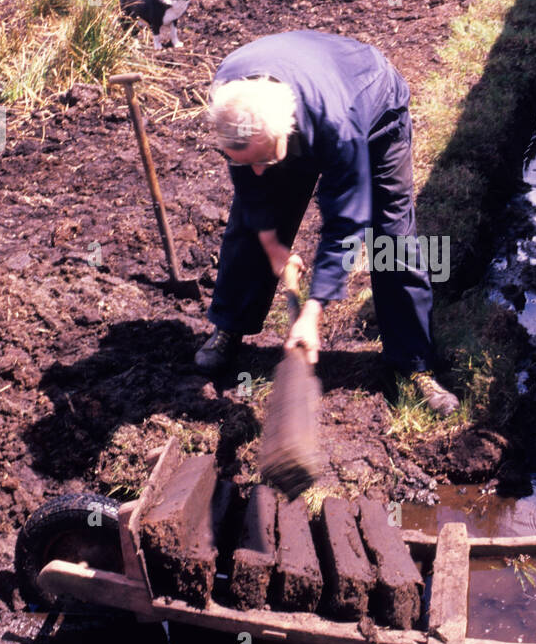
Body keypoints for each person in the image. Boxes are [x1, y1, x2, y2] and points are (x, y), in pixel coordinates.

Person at [196, 30, 459, 416]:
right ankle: (230, 326)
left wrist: (313, 309)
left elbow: (345, 221)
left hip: (372, 109)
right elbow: (250, 188)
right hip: (299, 98)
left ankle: (414, 362)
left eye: (264, 159)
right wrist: (272, 246)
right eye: (241, 159)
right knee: (249, 225)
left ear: (287, 131)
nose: (254, 170)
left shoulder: (339, 123)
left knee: (391, 238)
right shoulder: (230, 100)